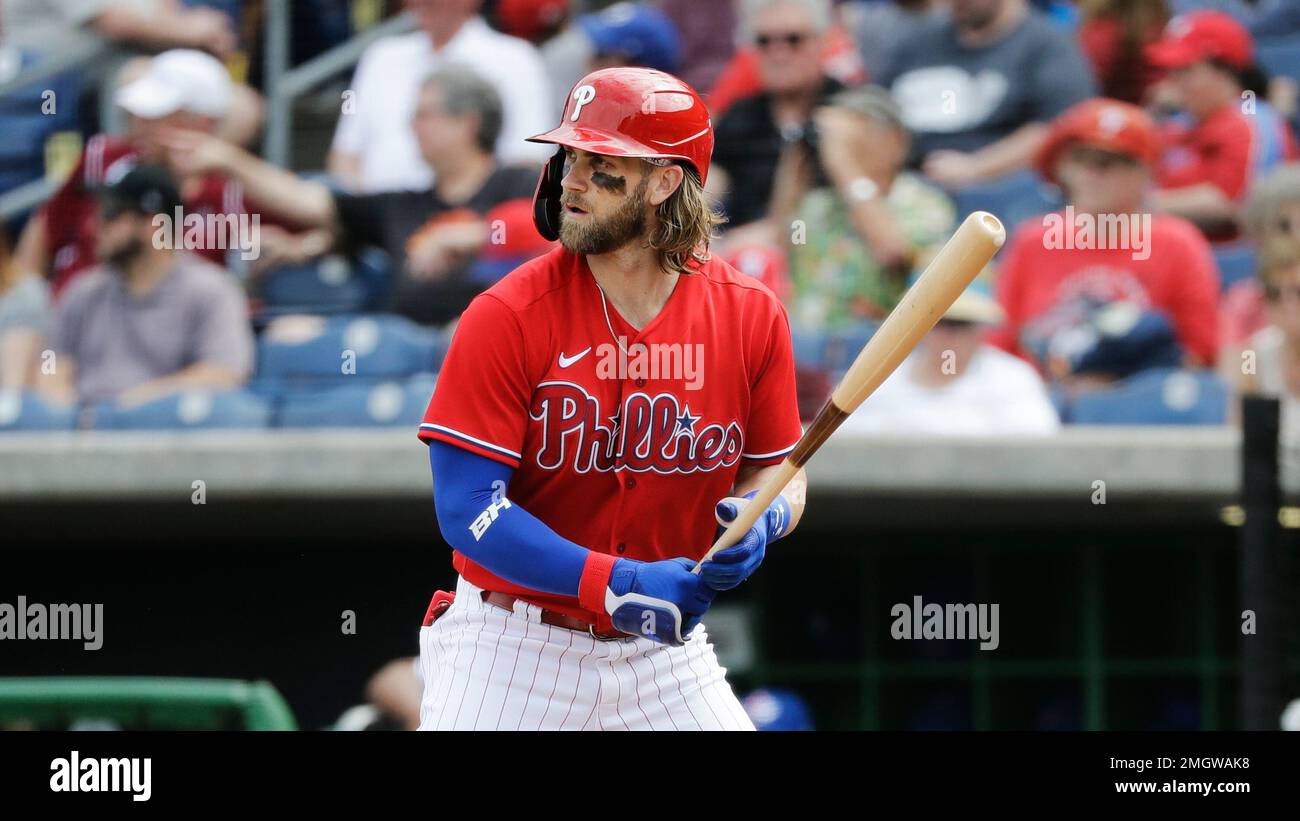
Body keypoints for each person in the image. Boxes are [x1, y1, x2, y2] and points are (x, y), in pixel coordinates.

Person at [414, 67, 807, 730]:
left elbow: (780, 469)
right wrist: (611, 580)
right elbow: (466, 510)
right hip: (510, 646)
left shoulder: (750, 315)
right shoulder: (506, 314)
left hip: (663, 658)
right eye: (570, 157)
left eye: (602, 165)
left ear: (664, 181)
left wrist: (765, 515)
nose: (571, 180)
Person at [167, 66, 541, 327]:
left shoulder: (519, 182)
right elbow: (311, 201)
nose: (413, 127)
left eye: (425, 115)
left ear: (468, 122)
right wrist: (229, 160)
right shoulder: (401, 205)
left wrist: (471, 235)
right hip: (405, 350)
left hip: (499, 342)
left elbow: (557, 228)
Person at [988, 98, 1220, 386]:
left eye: (1110, 163)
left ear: (1145, 172)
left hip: (1139, 409)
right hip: (1039, 405)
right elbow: (999, 344)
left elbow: (1200, 353)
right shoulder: (1032, 240)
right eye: (1081, 159)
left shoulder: (1178, 242)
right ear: (1063, 167)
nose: (1092, 174)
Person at [13, 49, 270, 298]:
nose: (138, 123)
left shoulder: (233, 188)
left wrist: (294, 246)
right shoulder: (102, 156)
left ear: (202, 122)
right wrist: (27, 307)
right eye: (139, 113)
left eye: (156, 114)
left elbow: (307, 211)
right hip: (69, 323)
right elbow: (44, 230)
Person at [40, 165, 253, 406]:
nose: (94, 227)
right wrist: (52, 387)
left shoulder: (211, 290)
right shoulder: (82, 291)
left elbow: (225, 371)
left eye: (110, 216)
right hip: (85, 432)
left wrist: (135, 403)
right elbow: (50, 357)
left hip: (167, 433)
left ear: (153, 225)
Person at [328, 0, 553, 193]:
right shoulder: (380, 56)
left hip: (470, 224)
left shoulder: (516, 58)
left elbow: (528, 160)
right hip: (373, 221)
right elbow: (344, 156)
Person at [780, 85, 956, 328]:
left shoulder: (924, 201)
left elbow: (894, 252)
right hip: (802, 348)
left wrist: (842, 161)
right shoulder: (818, 204)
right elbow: (780, 241)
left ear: (896, 140)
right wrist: (795, 157)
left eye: (857, 127)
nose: (836, 143)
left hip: (873, 350)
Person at [875, 0, 1096, 189]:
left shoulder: (1047, 47)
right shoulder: (917, 42)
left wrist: (977, 167)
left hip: (1001, 188)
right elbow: (876, 108)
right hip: (908, 183)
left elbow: (1060, 124)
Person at [839, 278, 1060, 436]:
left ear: (980, 330)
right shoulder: (876, 378)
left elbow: (1035, 449)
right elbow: (843, 448)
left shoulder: (1013, 379)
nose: (948, 336)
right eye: (938, 323)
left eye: (960, 325)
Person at [1146, 10, 1298, 239]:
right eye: (1171, 72)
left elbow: (1234, 201)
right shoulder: (1177, 124)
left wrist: (1131, 205)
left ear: (1225, 72)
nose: (1172, 83)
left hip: (1238, 258)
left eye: (1185, 71)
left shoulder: (1251, 120)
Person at [709, 0, 846, 231]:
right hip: (745, 257)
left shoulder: (850, 109)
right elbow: (706, 188)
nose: (778, 53)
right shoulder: (739, 116)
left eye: (794, 40)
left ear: (822, 44)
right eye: (764, 41)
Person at [0, 0, 236, 61]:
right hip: (45, 91)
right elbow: (116, 24)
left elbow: (163, 9)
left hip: (101, 77)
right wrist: (194, 31)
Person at [1232, 237, 1300, 439]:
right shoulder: (1251, 354)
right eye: (1274, 294)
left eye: (1298, 292)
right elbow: (1239, 427)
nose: (1288, 304)